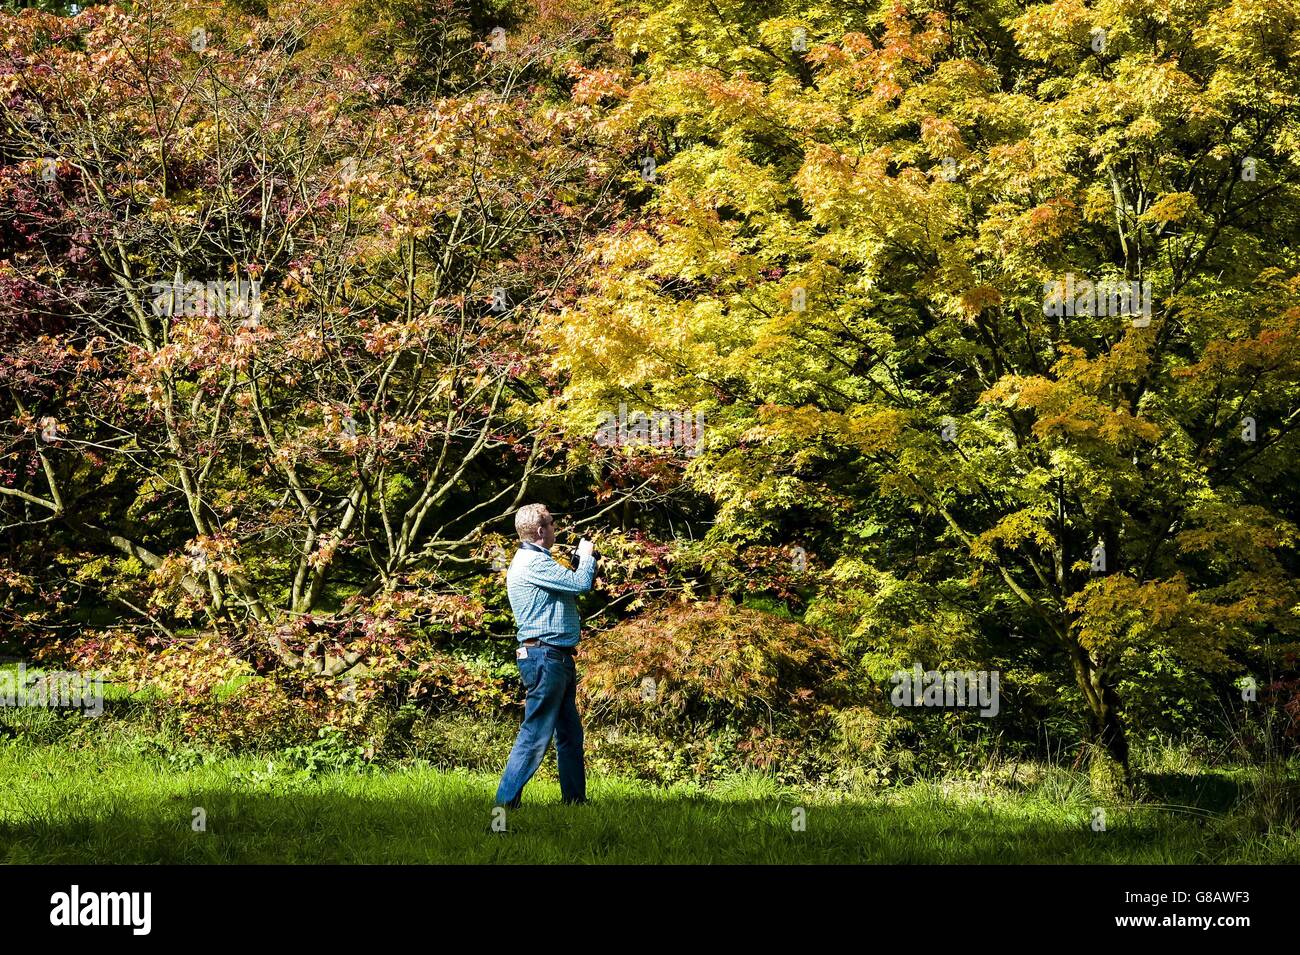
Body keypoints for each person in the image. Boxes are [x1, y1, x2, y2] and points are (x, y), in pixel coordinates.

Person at [494, 503, 597, 808]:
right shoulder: (533, 563)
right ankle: (502, 810)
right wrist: (588, 557)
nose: (555, 529)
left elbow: (569, 584)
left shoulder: (541, 562)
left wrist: (582, 562)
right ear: (541, 531)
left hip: (556, 658)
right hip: (544, 658)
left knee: (569, 736)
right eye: (552, 524)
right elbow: (581, 583)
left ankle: (576, 804)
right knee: (534, 736)